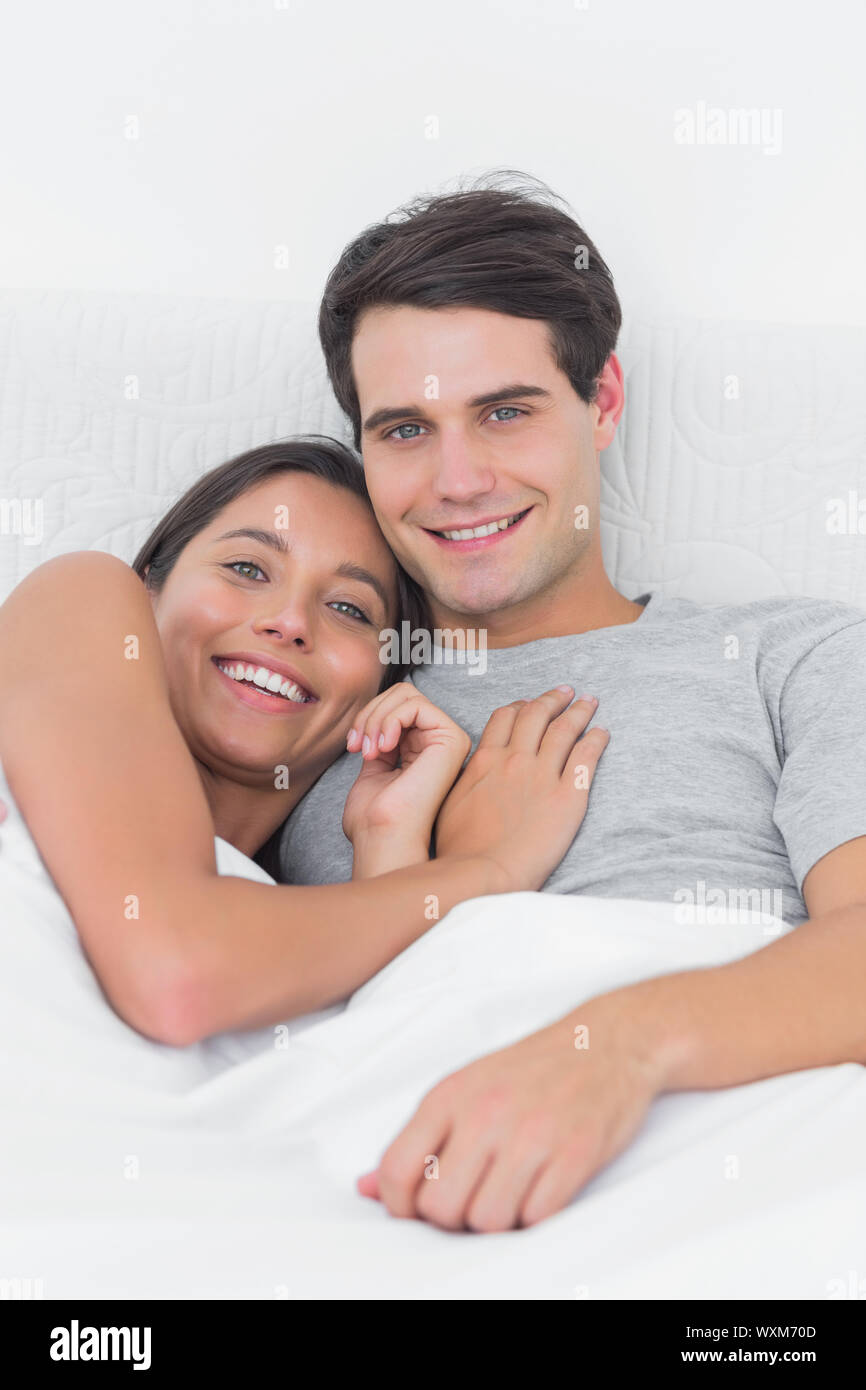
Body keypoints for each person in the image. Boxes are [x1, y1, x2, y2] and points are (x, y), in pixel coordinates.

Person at [279, 173, 866, 1233]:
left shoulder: (794, 656)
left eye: (503, 412)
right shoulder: (308, 718)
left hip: (748, 1185)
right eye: (404, 430)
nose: (457, 480)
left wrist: (615, 1048)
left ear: (600, 403)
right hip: (398, 1198)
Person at [0, 437, 608, 1049]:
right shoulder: (85, 592)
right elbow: (175, 977)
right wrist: (486, 871)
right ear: (150, 588)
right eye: (246, 569)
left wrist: (386, 846)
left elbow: (392, 1088)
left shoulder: (288, 948)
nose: (289, 623)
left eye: (349, 608)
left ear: (379, 687)